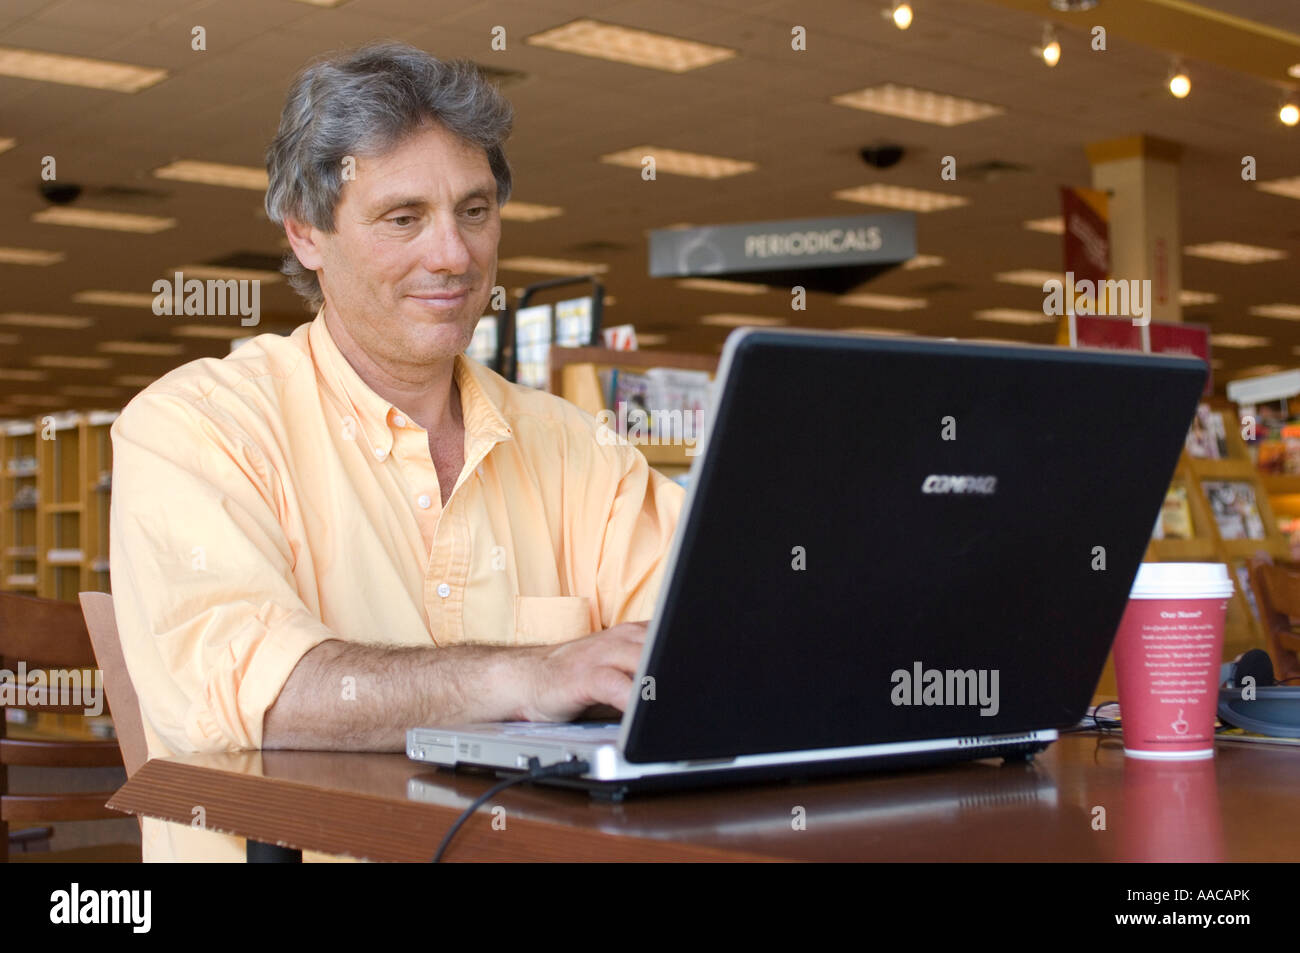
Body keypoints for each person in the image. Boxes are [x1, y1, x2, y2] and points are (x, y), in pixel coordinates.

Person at [109, 41, 685, 862]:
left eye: (475, 211)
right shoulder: (194, 427)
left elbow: (697, 642)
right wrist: (533, 674)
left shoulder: (577, 449)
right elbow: (263, 696)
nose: (453, 255)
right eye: (403, 217)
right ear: (306, 232)